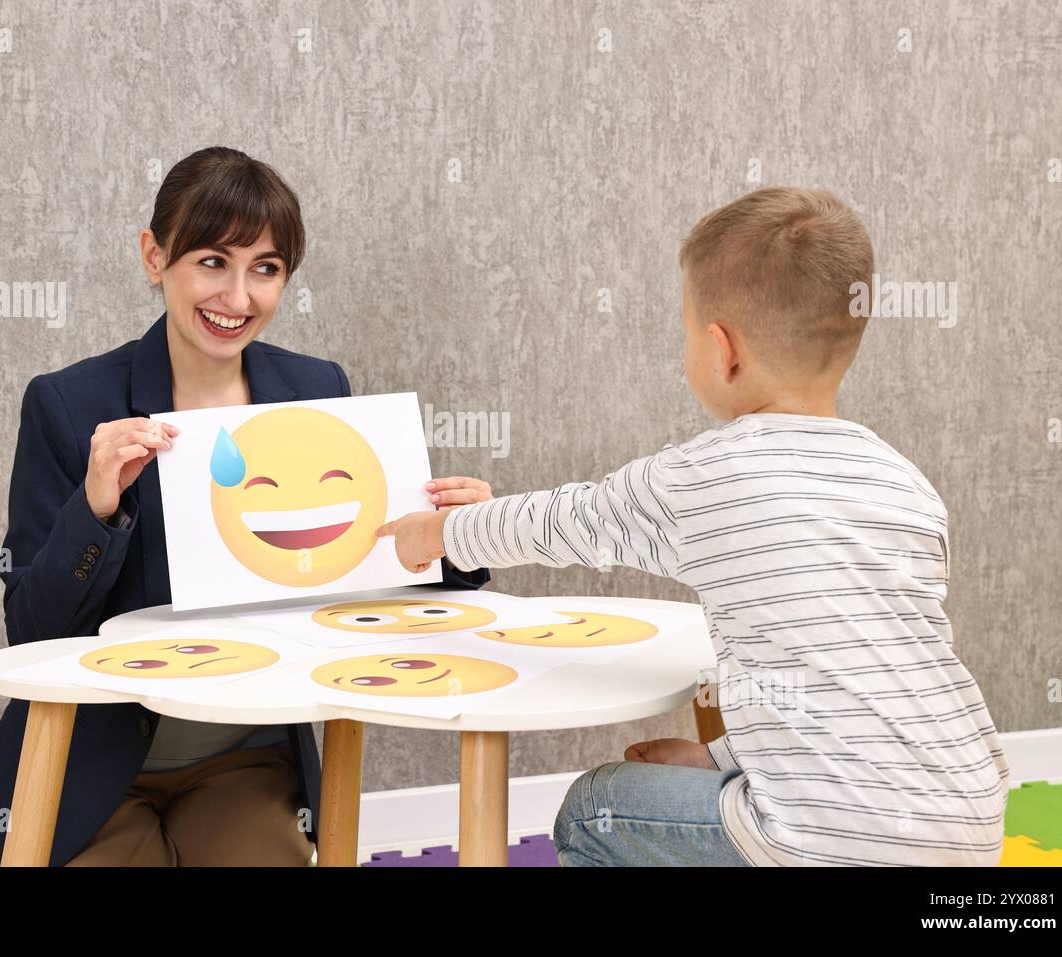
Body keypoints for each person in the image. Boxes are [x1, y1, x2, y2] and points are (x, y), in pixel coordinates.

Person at [377, 186, 1009, 866]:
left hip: (825, 844)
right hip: (968, 823)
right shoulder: (904, 482)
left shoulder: (705, 475)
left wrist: (439, 533)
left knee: (596, 806)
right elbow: (855, 678)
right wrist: (720, 760)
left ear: (721, 350)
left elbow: (564, 520)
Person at [0, 147, 492, 866]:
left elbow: (361, 570)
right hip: (99, 759)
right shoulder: (68, 404)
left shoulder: (316, 389)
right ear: (155, 257)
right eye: (212, 261)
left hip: (246, 753)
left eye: (265, 269)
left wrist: (457, 538)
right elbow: (31, 630)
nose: (238, 298)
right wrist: (96, 509)